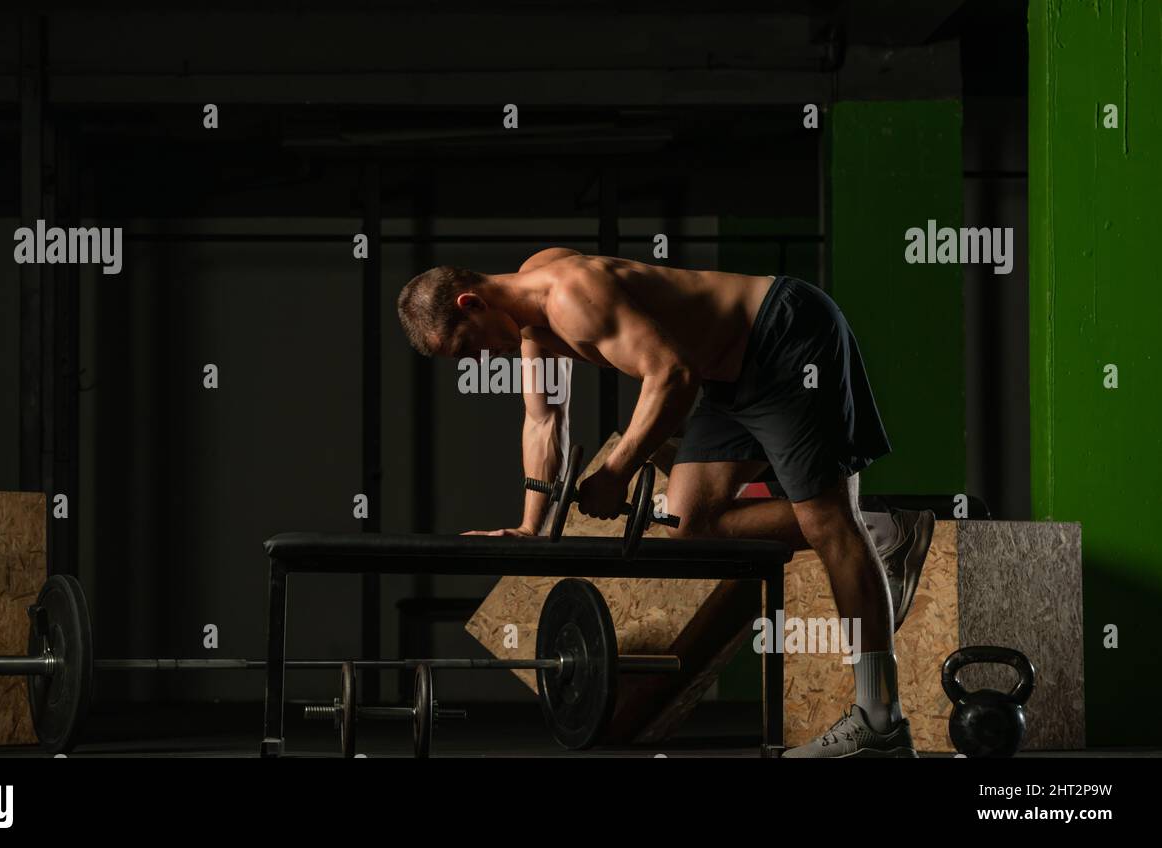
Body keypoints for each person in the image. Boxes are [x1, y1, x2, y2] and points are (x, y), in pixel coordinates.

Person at [396, 247, 934, 757]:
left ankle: (880, 718)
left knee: (826, 525)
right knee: (688, 524)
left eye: (469, 346)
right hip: (728, 378)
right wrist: (531, 527)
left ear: (471, 302)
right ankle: (870, 527)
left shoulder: (571, 297)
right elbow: (543, 419)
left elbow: (672, 375)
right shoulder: (531, 302)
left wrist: (615, 472)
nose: (481, 358)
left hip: (784, 338)